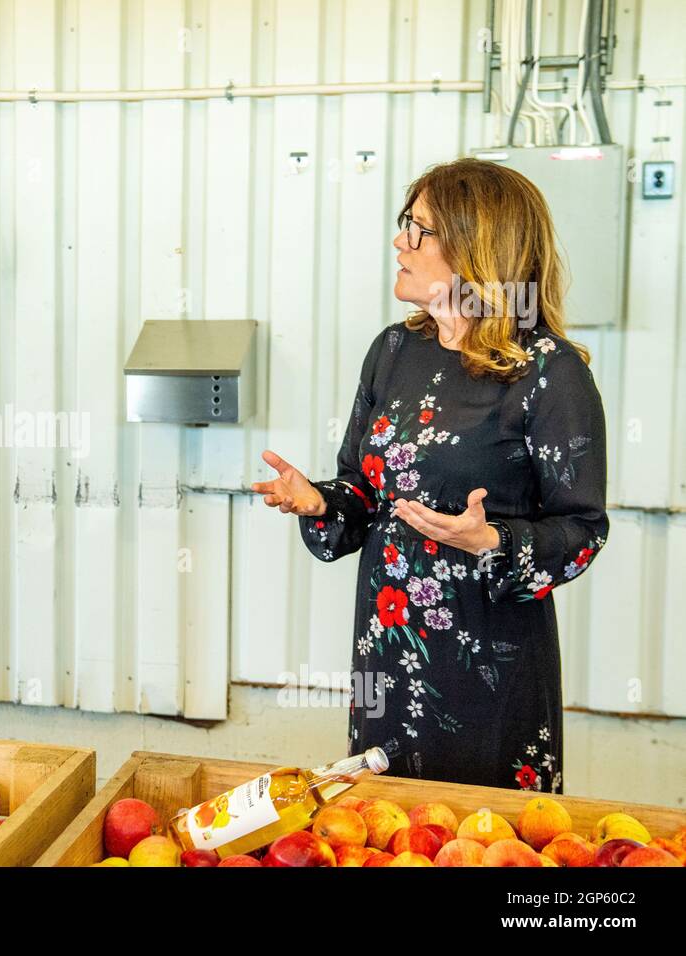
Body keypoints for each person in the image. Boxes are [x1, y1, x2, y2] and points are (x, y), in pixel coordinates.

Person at [251, 158, 608, 792]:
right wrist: (317, 503)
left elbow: (582, 529)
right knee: (385, 826)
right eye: (404, 224)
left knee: (482, 837)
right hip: (384, 644)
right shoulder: (393, 350)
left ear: (477, 248)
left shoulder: (548, 372)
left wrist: (491, 541)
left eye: (420, 230)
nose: (399, 241)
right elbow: (360, 494)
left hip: (489, 658)